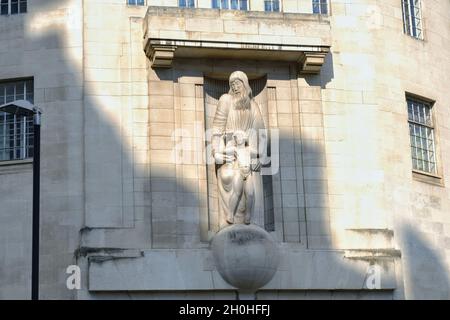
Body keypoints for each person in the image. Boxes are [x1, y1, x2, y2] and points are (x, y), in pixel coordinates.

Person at [211, 71, 265, 225]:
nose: (235, 87)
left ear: (245, 84)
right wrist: (216, 152)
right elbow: (217, 129)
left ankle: (250, 221)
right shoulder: (225, 100)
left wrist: (259, 156)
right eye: (232, 84)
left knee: (251, 194)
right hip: (230, 155)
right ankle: (230, 219)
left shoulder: (253, 106)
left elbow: (261, 132)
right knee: (235, 191)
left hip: (248, 158)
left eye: (238, 83)